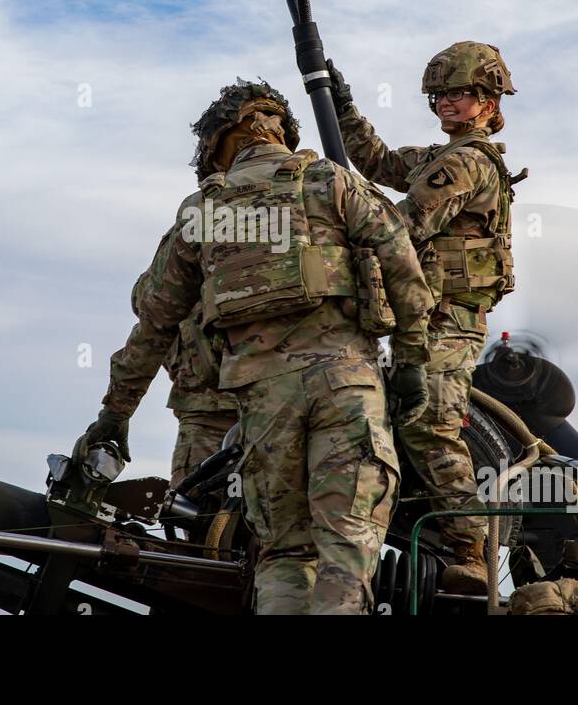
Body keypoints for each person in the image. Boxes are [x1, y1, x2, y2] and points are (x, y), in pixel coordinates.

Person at [85, 79, 433, 614]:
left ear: (220, 141)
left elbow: (152, 325)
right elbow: (404, 267)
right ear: (281, 132)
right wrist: (411, 362)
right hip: (347, 388)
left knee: (284, 554)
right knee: (348, 546)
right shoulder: (329, 182)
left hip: (265, 407)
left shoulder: (202, 211)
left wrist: (115, 414)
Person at [327, 42, 526, 594]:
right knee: (401, 416)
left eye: (461, 94)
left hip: (450, 318)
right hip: (430, 315)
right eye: (440, 95)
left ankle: (468, 548)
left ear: (489, 101)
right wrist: (340, 103)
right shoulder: (443, 158)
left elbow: (401, 226)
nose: (448, 103)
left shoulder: (465, 163)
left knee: (430, 423)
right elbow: (379, 162)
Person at [130, 231, 238, 490]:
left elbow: (149, 302)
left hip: (215, 406)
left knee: (205, 515)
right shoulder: (314, 205)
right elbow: (149, 302)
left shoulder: (205, 215)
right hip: (216, 405)